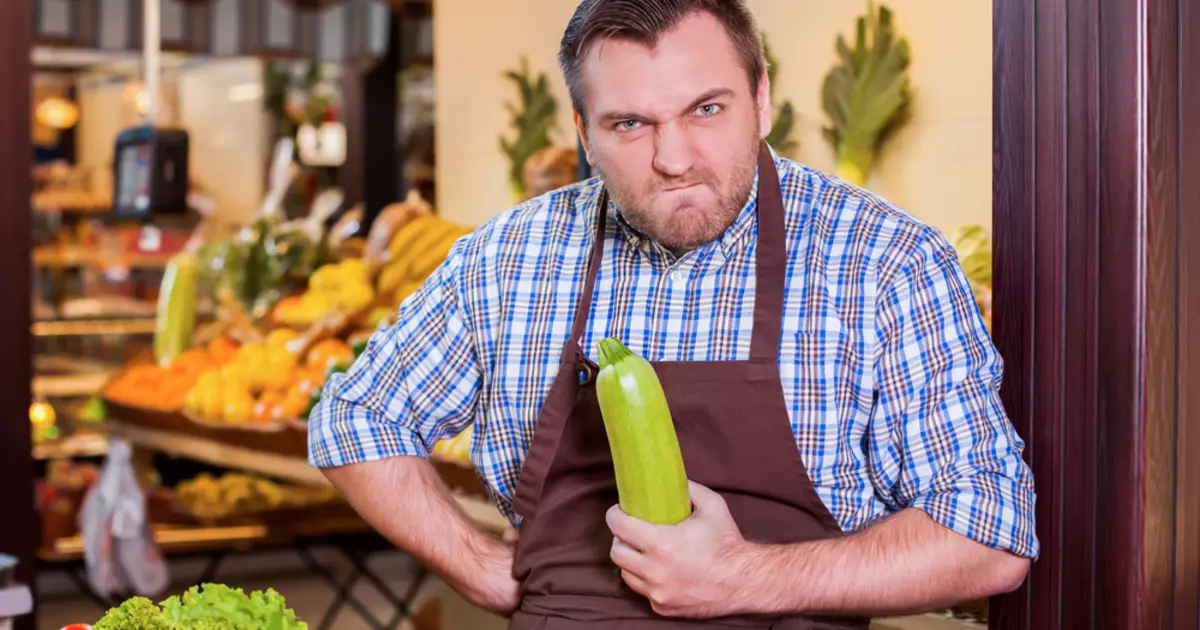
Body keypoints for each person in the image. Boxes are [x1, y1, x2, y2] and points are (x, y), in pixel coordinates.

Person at [308, 0, 1039, 627]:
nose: (674, 157)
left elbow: (989, 534)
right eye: (630, 124)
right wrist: (478, 567)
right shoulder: (507, 258)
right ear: (582, 131)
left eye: (707, 109)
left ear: (762, 94)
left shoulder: (884, 261)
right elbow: (354, 418)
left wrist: (742, 577)